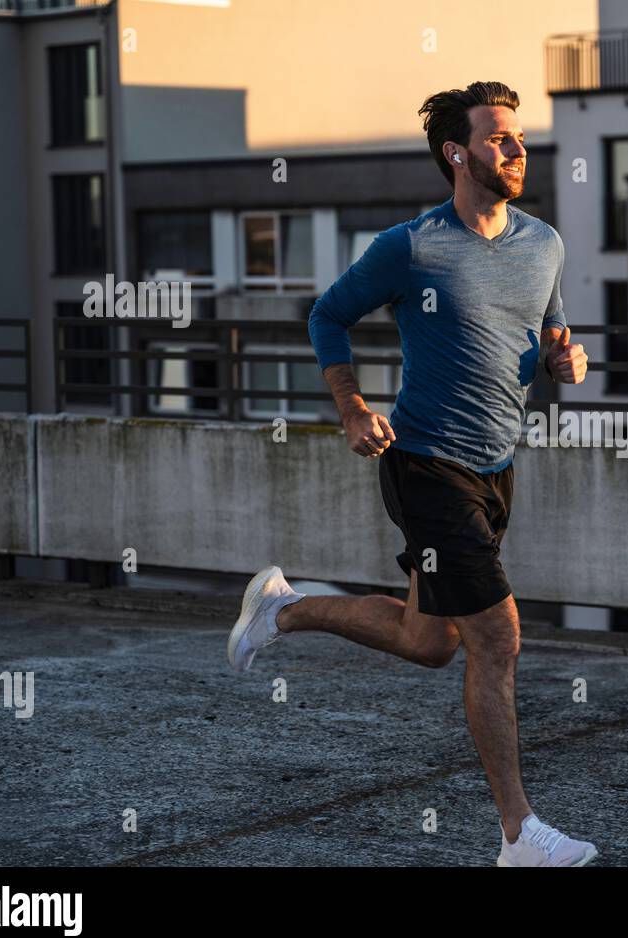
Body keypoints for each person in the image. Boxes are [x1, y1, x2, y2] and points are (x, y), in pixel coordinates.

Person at [225, 81, 595, 867]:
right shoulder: (411, 246)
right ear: (457, 153)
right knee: (497, 637)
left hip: (497, 469)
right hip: (425, 464)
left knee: (429, 642)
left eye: (518, 136)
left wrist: (569, 360)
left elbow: (555, 338)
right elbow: (327, 314)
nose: (517, 149)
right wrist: (353, 407)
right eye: (498, 138)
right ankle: (518, 836)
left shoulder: (545, 244)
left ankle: (282, 609)